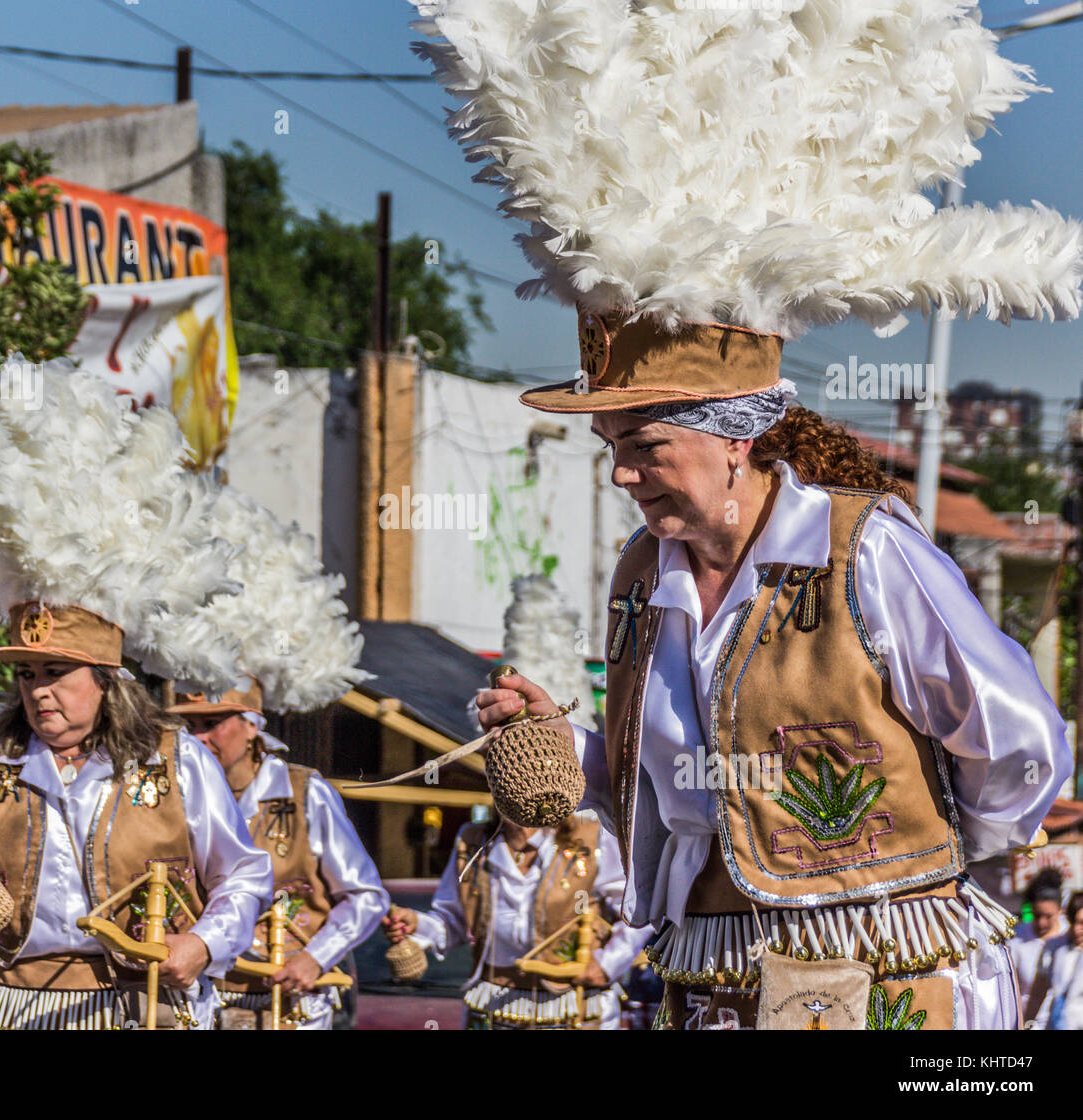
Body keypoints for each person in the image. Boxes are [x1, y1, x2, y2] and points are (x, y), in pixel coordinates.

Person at [477, 397, 1070, 1030]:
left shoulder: (864, 551)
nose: (620, 472)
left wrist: (924, 858)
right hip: (714, 968)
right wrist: (566, 744)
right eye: (610, 446)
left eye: (645, 446)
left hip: (883, 960)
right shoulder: (642, 573)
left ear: (735, 440)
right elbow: (666, 789)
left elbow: (1020, 743)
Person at [0, 606, 273, 1030]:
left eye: (55, 672)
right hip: (14, 1008)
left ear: (106, 681)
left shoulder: (176, 759)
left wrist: (203, 945)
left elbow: (243, 875)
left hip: (147, 1008)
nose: (38, 691)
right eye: (27, 674)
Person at [173, 679, 388, 1030]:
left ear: (251, 726)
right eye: (189, 726)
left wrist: (314, 958)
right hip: (202, 1002)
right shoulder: (178, 799)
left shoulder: (305, 793)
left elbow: (365, 896)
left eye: (211, 724)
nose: (197, 738)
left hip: (292, 1006)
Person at [383, 811, 652, 1029]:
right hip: (493, 1009)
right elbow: (453, 921)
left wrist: (606, 964)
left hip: (575, 1009)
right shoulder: (473, 841)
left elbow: (637, 908)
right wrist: (416, 925)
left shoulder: (591, 836)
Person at [1011, 868, 1070, 1016]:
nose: (1042, 923)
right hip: (1026, 1019)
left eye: (1048, 916)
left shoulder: (1069, 935)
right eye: (1037, 915)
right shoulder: (1017, 938)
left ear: (1060, 910)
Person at [1031, 893, 1083, 1030]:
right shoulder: (1055, 948)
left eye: (1082, 923)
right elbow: (1038, 991)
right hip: (1058, 1022)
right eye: (1074, 922)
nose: (1077, 929)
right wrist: (1026, 1023)